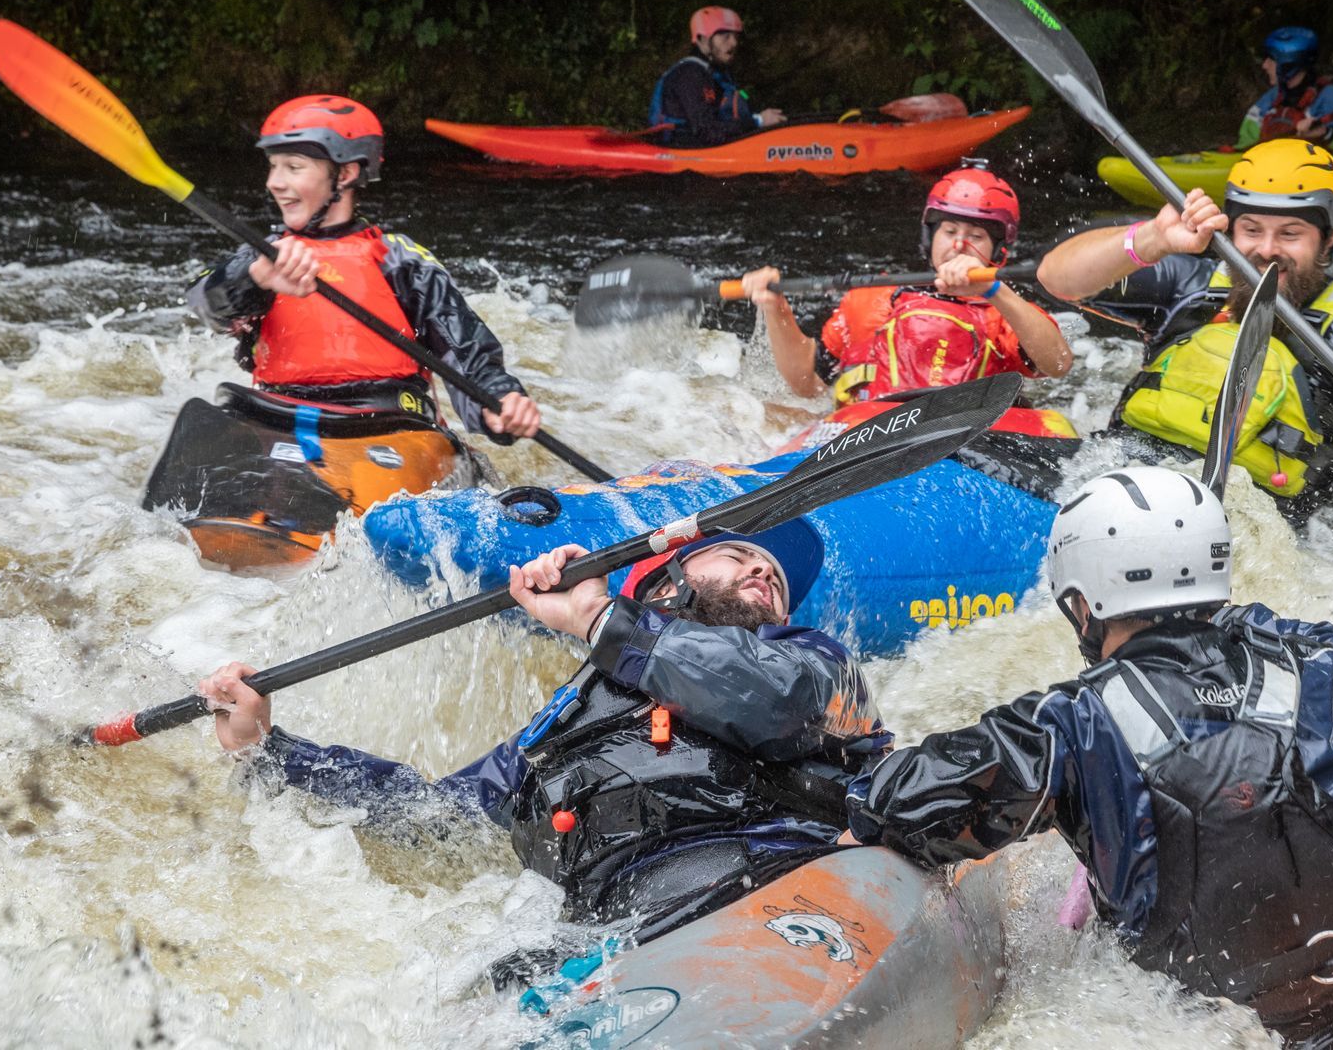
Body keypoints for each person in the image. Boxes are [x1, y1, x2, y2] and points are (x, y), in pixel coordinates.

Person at [850, 466, 1333, 1048]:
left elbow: (895, 803)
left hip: (1214, 1023)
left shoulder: (1066, 724)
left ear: (1081, 605)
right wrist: (1258, 626)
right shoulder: (1323, 678)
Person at [196, 521, 889, 979]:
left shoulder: (811, 660)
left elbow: (765, 698)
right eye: (739, 556)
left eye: (776, 574)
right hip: (606, 935)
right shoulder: (565, 721)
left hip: (772, 882)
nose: (766, 573)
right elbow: (437, 818)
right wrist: (269, 748)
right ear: (660, 587)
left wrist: (595, 617)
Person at [1037, 139, 1333, 529]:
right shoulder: (1188, 288)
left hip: (1265, 520)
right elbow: (1056, 279)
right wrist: (1152, 239)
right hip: (1125, 474)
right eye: (1251, 230)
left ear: (1328, 241)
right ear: (1231, 231)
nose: (1267, 248)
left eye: (1291, 233)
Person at [187, 95, 541, 444]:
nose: (274, 182)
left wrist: (499, 400)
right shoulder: (263, 257)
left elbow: (464, 349)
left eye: (293, 167)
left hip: (391, 426)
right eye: (273, 165)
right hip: (281, 420)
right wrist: (255, 278)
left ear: (345, 173)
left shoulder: (400, 260)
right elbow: (205, 304)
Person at [742, 164, 1072, 402]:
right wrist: (776, 309)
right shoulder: (871, 297)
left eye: (976, 236)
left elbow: (1058, 364)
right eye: (950, 231)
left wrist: (994, 290)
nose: (959, 245)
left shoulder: (1005, 311)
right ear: (930, 236)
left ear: (997, 250)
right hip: (871, 433)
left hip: (964, 444)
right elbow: (807, 386)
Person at [647, 6, 786, 148]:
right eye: (725, 36)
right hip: (679, 150)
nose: (734, 43)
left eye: (735, 36)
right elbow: (709, 132)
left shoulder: (718, 74)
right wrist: (758, 121)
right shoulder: (689, 75)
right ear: (702, 39)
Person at [1236, 27, 1333, 156]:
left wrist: (1327, 134)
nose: (1264, 65)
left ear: (1289, 64)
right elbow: (1246, 145)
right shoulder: (1269, 101)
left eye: (1272, 59)